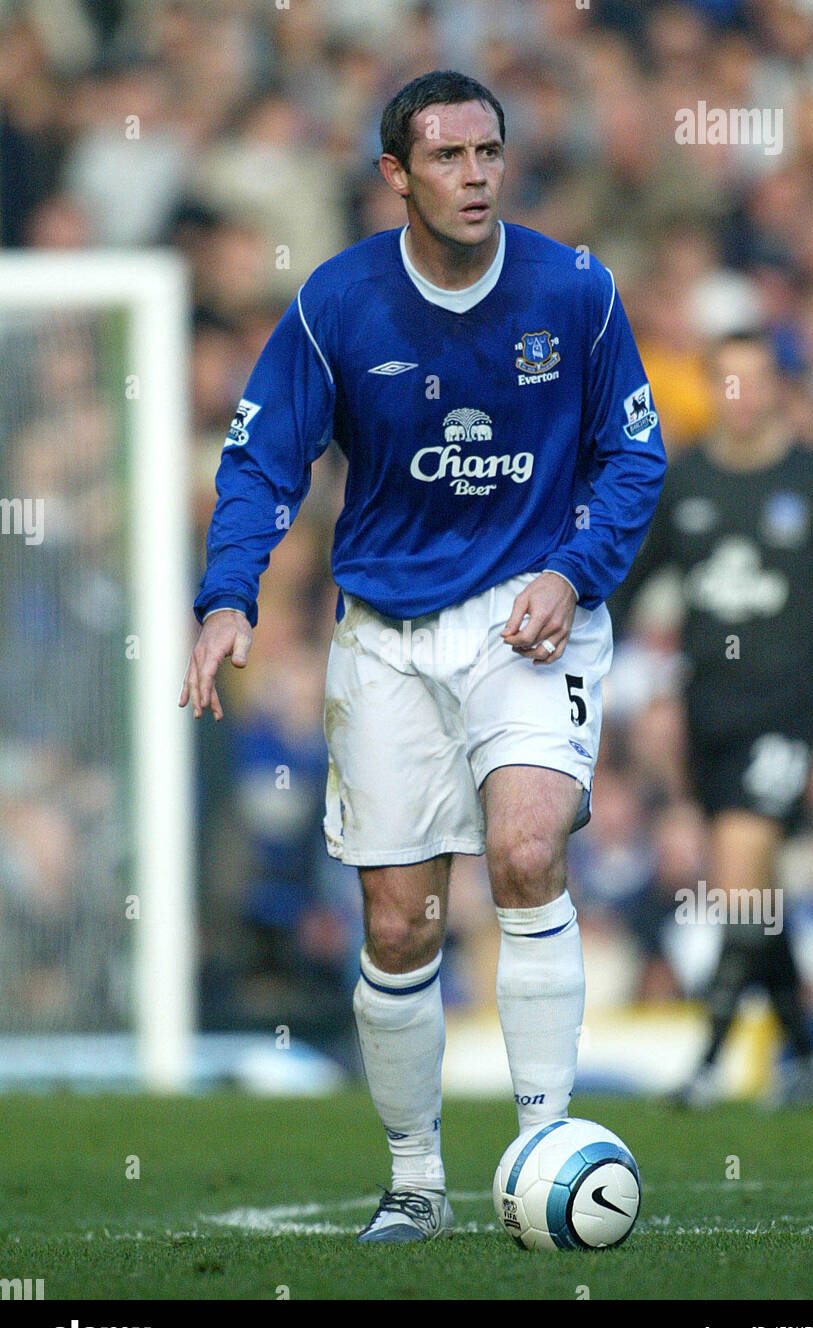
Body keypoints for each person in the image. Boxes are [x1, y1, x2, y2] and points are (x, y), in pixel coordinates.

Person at [180, 70, 666, 1241]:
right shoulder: (336, 305)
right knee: (400, 924)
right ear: (394, 175)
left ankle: (542, 1144)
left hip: (529, 613)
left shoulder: (575, 290)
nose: (475, 175)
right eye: (445, 158)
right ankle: (414, 1179)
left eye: (488, 152)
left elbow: (632, 458)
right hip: (387, 635)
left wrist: (571, 569)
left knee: (527, 844)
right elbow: (261, 464)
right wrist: (225, 595)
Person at [610, 331, 813, 1107]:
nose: (743, 395)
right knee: (753, 889)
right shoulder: (683, 481)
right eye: (729, 380)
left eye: (757, 380)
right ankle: (808, 1061)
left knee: (736, 867)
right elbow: (626, 590)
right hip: (708, 715)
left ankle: (709, 1062)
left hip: (787, 711)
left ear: (777, 389)